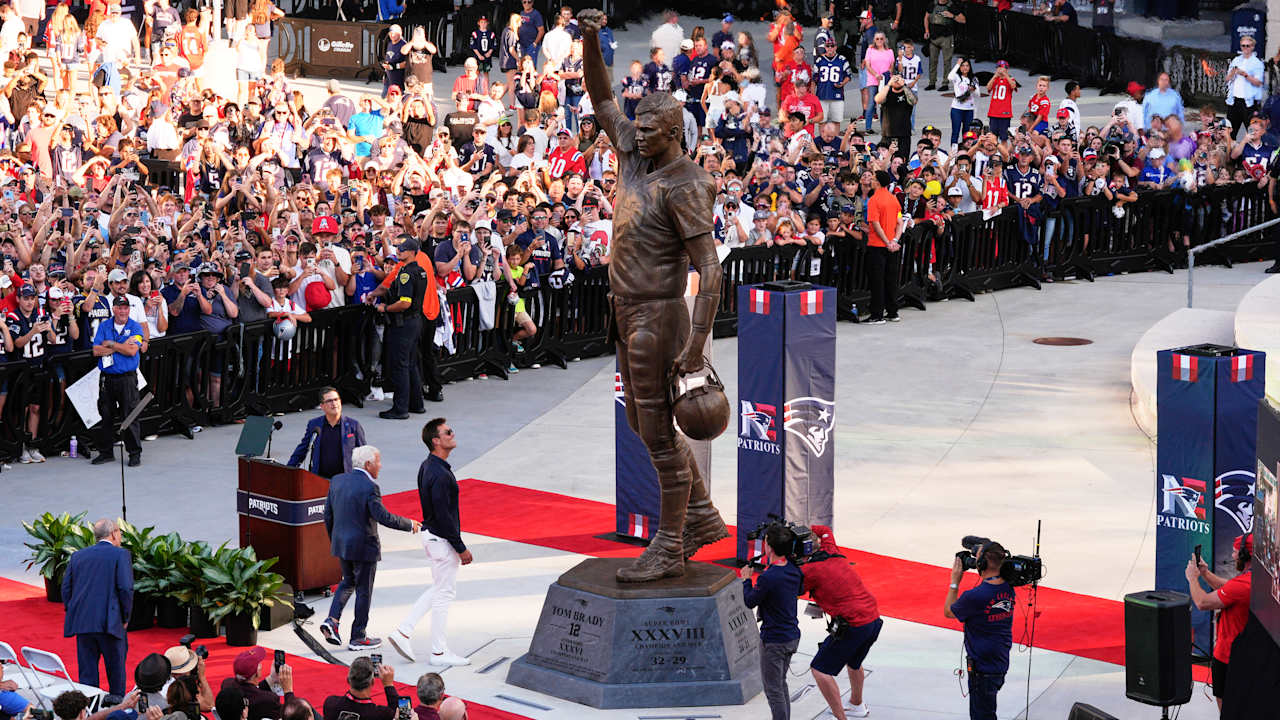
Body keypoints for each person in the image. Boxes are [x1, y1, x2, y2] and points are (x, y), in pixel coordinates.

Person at [579, 8, 729, 582]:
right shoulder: (633, 151)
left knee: (660, 433)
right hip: (625, 309)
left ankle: (670, 541)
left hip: (658, 315)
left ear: (675, 132)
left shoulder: (687, 183)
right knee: (644, 426)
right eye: (636, 126)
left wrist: (696, 345)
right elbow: (602, 98)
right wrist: (591, 38)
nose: (636, 134)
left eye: (648, 129)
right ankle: (701, 515)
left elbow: (709, 268)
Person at [321, 445, 421, 650]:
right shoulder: (370, 487)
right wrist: (409, 524)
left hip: (342, 544)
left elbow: (328, 515)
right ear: (368, 464)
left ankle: (332, 620)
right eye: (378, 461)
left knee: (348, 581)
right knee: (363, 591)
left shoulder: (337, 481)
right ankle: (358, 637)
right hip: (364, 547)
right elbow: (383, 517)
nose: (380, 466)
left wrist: (336, 540)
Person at [391, 418, 472, 667]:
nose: (452, 434)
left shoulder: (428, 466)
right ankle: (438, 652)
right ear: (436, 440)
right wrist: (461, 548)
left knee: (439, 589)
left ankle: (404, 631)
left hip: (433, 537)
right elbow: (443, 515)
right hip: (441, 539)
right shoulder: (439, 473)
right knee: (444, 594)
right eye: (448, 432)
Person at [797, 525, 881, 719]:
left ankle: (840, 717)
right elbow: (824, 529)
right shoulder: (830, 548)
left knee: (820, 669)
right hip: (873, 619)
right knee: (854, 663)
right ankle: (857, 704)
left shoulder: (808, 571)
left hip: (853, 624)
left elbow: (795, 588)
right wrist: (805, 529)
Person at [944, 541, 1016, 720]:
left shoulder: (975, 596)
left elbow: (949, 611)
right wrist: (983, 550)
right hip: (999, 662)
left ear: (983, 563)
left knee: (982, 716)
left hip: (982, 669)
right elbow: (994, 554)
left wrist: (954, 582)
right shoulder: (1008, 587)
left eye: (977, 559)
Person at [61, 519, 133, 696]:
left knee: (87, 676)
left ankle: (89, 708)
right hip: (111, 623)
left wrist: (74, 610)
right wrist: (125, 617)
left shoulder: (78, 556)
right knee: (116, 672)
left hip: (83, 623)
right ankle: (116, 706)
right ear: (114, 533)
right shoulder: (121, 555)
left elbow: (66, 588)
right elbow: (125, 589)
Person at [739, 523, 803, 720]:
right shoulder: (793, 569)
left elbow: (750, 601)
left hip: (775, 640)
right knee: (780, 683)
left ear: (769, 547)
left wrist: (746, 580)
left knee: (773, 690)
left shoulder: (769, 577)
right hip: (791, 636)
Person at [1186, 533, 1252, 710]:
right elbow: (1229, 589)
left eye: (1235, 552)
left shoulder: (1242, 585)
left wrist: (1192, 579)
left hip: (1228, 658)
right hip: (1246, 656)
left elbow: (1202, 602)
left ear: (1245, 555)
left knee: (1228, 712)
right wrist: (1205, 573)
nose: (1232, 555)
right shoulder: (1255, 580)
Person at [374, 238, 429, 419]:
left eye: (402, 249)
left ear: (412, 252)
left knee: (400, 366)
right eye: (398, 248)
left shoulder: (406, 273)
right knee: (411, 364)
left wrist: (386, 308)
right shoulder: (420, 271)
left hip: (403, 323)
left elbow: (405, 303)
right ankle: (416, 403)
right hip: (415, 321)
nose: (398, 251)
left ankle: (400, 408)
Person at [89, 295, 145, 466]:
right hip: (107, 377)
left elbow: (132, 351)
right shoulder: (105, 325)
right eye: (120, 308)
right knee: (105, 415)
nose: (123, 311)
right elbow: (96, 351)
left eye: (125, 308)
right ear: (114, 309)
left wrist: (112, 344)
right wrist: (122, 345)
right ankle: (106, 452)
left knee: (130, 415)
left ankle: (134, 453)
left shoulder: (135, 327)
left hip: (127, 378)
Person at [287, 386, 366, 479]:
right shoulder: (314, 424)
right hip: (320, 479)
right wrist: (288, 471)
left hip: (345, 480)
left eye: (336, 399)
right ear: (322, 406)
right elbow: (302, 449)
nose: (334, 403)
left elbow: (363, 455)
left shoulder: (353, 425)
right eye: (329, 401)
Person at [864, 170, 901, 324]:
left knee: (877, 281)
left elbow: (875, 223)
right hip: (892, 246)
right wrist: (894, 240)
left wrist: (887, 242)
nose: (871, 181)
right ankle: (892, 312)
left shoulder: (874, 200)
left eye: (873, 179)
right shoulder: (893, 199)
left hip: (877, 245)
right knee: (890, 280)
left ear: (877, 182)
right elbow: (900, 222)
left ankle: (877, 314)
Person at [221, 648, 297, 720]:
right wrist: (288, 691)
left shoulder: (227, 685)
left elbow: (250, 691)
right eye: (259, 664)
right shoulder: (269, 701)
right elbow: (293, 716)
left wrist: (271, 679)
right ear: (257, 672)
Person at [321, 657, 401, 720]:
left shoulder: (330, 703)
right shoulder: (381, 714)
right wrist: (388, 685)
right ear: (372, 682)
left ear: (348, 680)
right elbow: (401, 713)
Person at [1226, 35, 1265, 138]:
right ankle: (1231, 148)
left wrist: (1245, 75)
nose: (1245, 48)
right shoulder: (1236, 60)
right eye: (1243, 46)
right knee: (1230, 132)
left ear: (1252, 47)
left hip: (1248, 103)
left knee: (1252, 133)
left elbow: (1258, 82)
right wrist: (1233, 72)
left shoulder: (1257, 63)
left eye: (1248, 46)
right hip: (1234, 101)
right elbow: (1227, 79)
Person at [923, 0, 964, 91]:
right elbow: (926, 17)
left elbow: (963, 20)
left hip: (947, 37)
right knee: (932, 61)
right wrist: (926, 31)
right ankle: (932, 82)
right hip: (934, 37)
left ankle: (945, 83)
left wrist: (952, 16)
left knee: (947, 61)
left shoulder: (951, 5)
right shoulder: (932, 4)